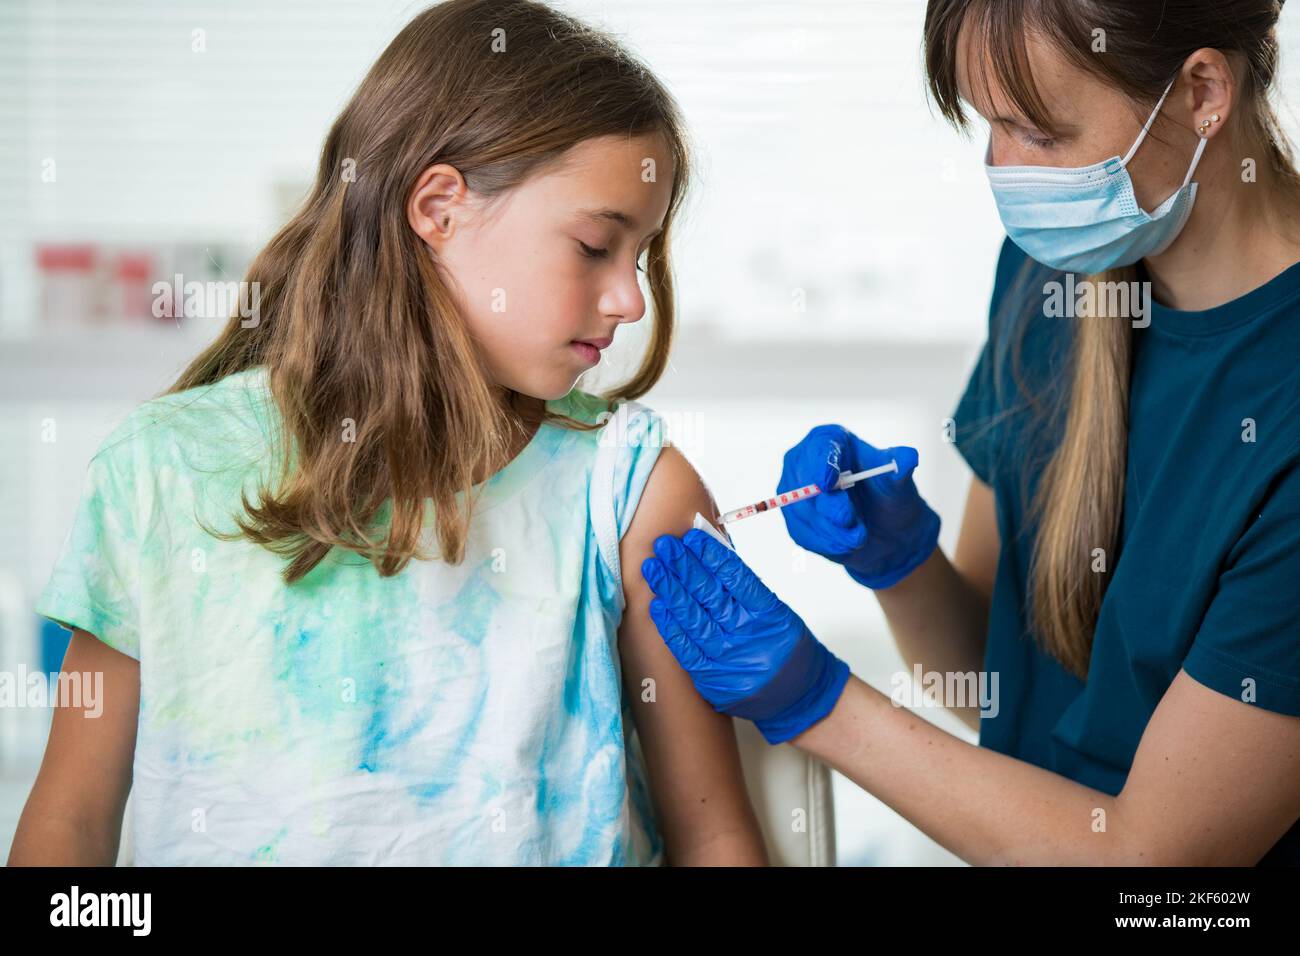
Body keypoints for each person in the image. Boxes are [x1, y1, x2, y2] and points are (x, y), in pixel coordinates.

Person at [10, 0, 765, 866]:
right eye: (596, 245)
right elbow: (67, 826)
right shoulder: (159, 470)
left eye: (640, 257)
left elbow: (713, 837)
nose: (631, 298)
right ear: (438, 207)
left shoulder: (630, 493)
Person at [642, 0, 1300, 865]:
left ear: (1202, 91)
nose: (1006, 172)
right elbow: (992, 688)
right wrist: (901, 564)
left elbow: (1152, 868)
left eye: (1037, 132)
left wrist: (816, 704)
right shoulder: (1054, 275)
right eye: (989, 126)